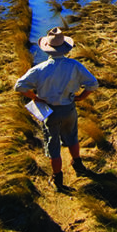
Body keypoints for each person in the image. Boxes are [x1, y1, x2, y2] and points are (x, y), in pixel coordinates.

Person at [15, 27, 99, 191]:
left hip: (49, 111)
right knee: (72, 136)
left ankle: (57, 178)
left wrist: (35, 97)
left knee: (53, 145)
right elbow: (93, 84)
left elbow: (19, 86)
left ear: (47, 48)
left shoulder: (40, 69)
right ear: (65, 48)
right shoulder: (74, 65)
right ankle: (78, 163)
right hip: (69, 108)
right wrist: (81, 97)